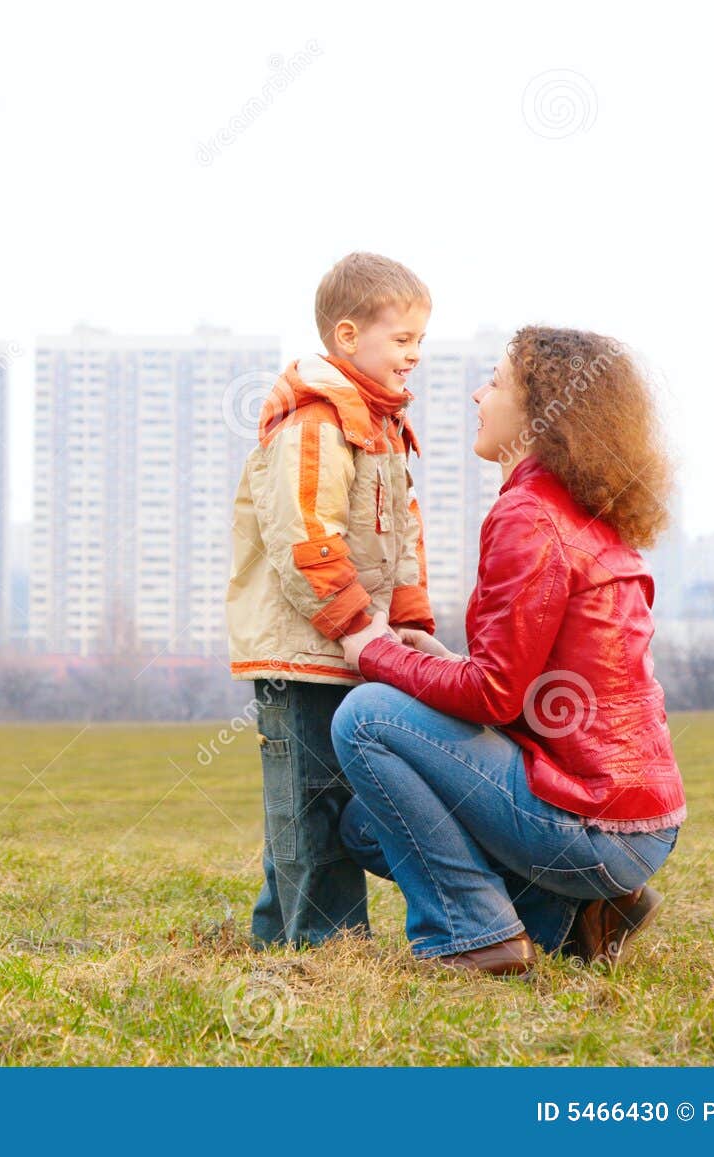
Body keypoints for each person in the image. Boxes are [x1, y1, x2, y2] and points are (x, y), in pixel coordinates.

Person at [330, 326, 686, 976]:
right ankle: (574, 917)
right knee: (362, 824)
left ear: (540, 409)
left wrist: (374, 650)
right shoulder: (583, 510)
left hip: (594, 825)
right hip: (638, 823)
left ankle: (476, 935)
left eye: (494, 381)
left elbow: (494, 693)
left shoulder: (529, 514)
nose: (476, 394)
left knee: (365, 716)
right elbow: (523, 679)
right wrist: (437, 659)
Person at [225, 251, 437, 947]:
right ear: (349, 337)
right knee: (307, 800)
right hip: (304, 649)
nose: (414, 356)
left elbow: (404, 533)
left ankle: (270, 935)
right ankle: (325, 946)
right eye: (402, 340)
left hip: (355, 645)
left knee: (319, 799)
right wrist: (352, 624)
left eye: (419, 342)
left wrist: (407, 621)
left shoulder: (381, 426)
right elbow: (306, 538)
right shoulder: (316, 424)